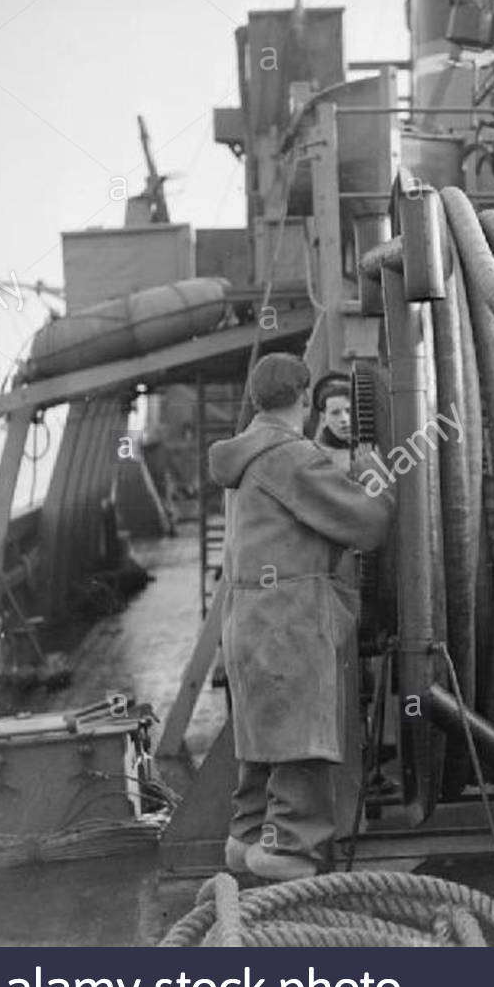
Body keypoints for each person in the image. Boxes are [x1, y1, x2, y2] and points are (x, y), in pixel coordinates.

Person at [209, 353, 395, 880]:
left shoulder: (242, 457)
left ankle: (248, 839)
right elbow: (369, 523)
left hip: (246, 618)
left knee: (263, 739)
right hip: (288, 621)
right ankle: (289, 853)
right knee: (302, 738)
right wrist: (373, 475)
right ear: (305, 399)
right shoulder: (291, 457)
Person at [311, 373, 354, 470]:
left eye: (349, 411)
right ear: (323, 419)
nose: (344, 419)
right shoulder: (317, 458)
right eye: (335, 413)